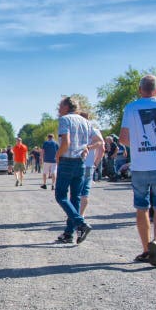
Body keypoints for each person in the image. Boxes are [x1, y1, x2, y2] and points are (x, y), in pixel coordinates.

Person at [119, 74, 156, 267]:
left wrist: (137, 145)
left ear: (140, 90)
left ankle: (146, 249)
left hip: (140, 165)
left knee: (141, 207)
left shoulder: (131, 107)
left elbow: (123, 138)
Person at [54, 96, 93, 244]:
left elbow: (66, 142)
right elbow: (90, 143)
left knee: (61, 196)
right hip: (80, 163)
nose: (58, 109)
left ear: (67, 107)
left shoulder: (65, 120)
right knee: (75, 197)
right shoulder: (85, 121)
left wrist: (58, 155)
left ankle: (80, 223)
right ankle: (69, 233)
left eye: (60, 106)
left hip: (67, 161)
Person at [78, 111, 105, 215]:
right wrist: (96, 162)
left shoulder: (75, 131)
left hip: (76, 163)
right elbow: (102, 149)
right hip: (89, 164)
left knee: (75, 191)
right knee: (85, 192)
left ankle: (73, 214)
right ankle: (81, 215)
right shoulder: (94, 131)